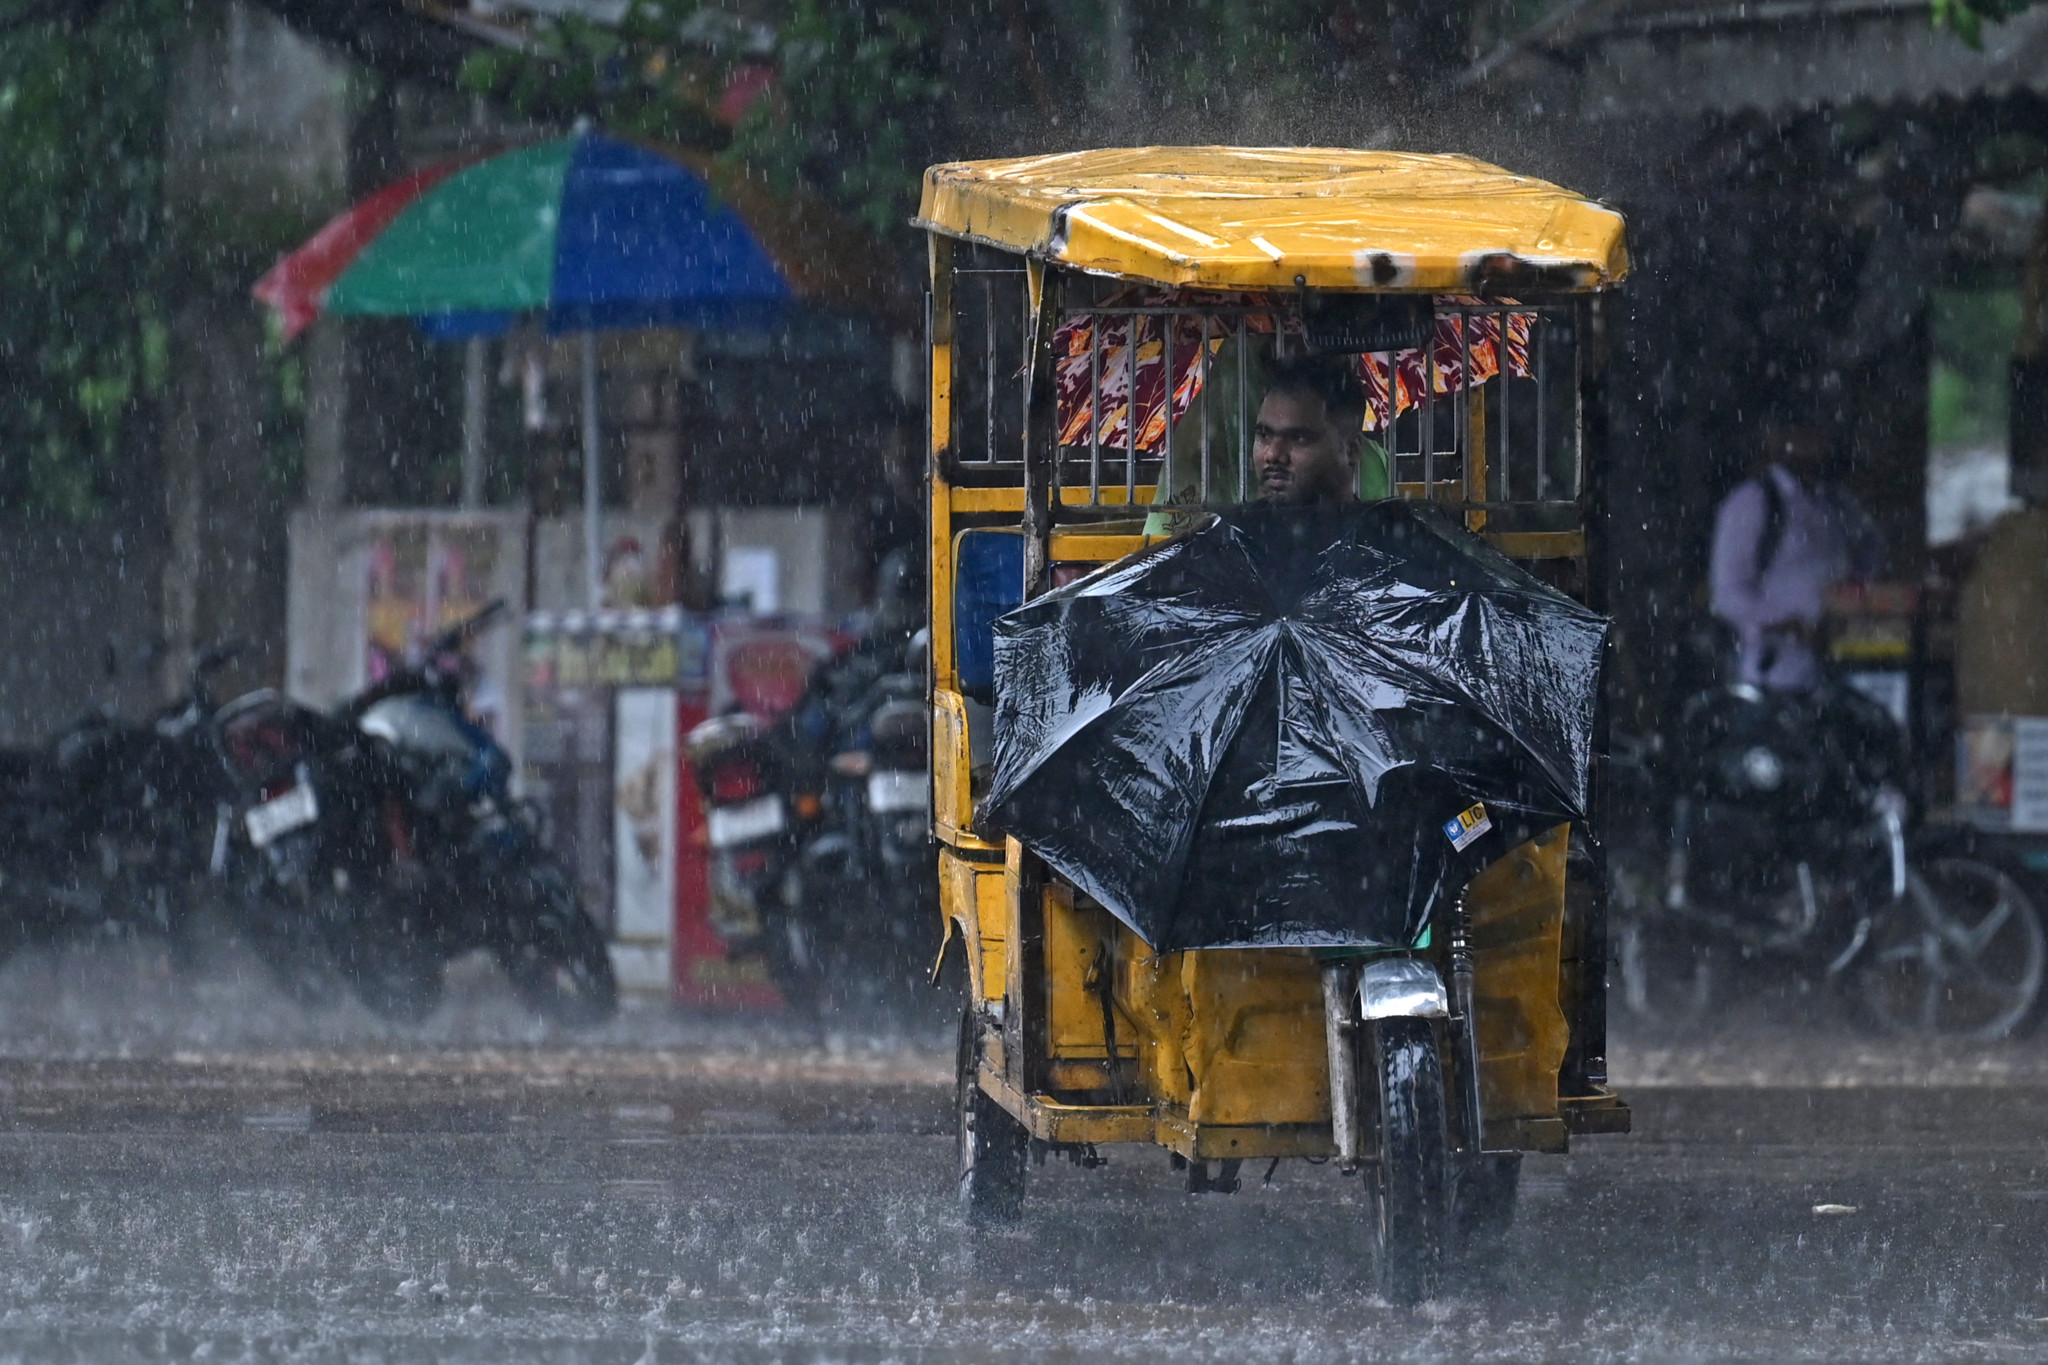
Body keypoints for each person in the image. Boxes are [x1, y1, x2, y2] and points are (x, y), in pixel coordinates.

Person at [1709, 424, 1884, 691]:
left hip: (1840, 676)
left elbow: (1872, 546)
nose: (1814, 446)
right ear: (1778, 440)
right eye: (1803, 436)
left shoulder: (1835, 502)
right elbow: (1728, 595)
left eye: (1818, 435)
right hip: (1774, 678)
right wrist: (1792, 626)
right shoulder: (1753, 501)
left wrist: (1853, 596)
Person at [1253, 357, 1368, 506]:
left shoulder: (1379, 526)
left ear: (1351, 450)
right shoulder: (1227, 526)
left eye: (1298, 438)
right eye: (1264, 436)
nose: (1272, 454)